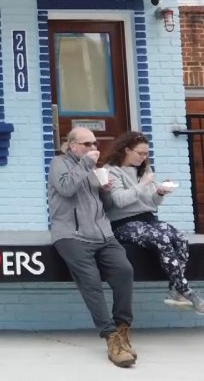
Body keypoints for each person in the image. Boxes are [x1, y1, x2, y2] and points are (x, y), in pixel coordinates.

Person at [47, 127, 137, 368]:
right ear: (72, 145)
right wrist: (87, 165)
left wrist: (105, 191)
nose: (93, 148)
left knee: (124, 271)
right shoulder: (59, 163)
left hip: (103, 235)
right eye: (87, 144)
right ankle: (110, 338)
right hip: (71, 235)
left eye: (95, 143)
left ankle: (122, 328)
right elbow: (66, 188)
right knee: (91, 281)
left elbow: (104, 205)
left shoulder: (93, 169)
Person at [100, 131, 204, 315]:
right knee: (160, 238)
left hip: (148, 219)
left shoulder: (145, 170)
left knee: (179, 238)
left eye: (146, 154)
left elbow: (152, 203)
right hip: (123, 222)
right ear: (127, 150)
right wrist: (143, 184)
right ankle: (186, 291)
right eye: (140, 153)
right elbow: (119, 200)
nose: (144, 158)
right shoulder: (112, 170)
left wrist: (159, 193)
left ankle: (175, 289)